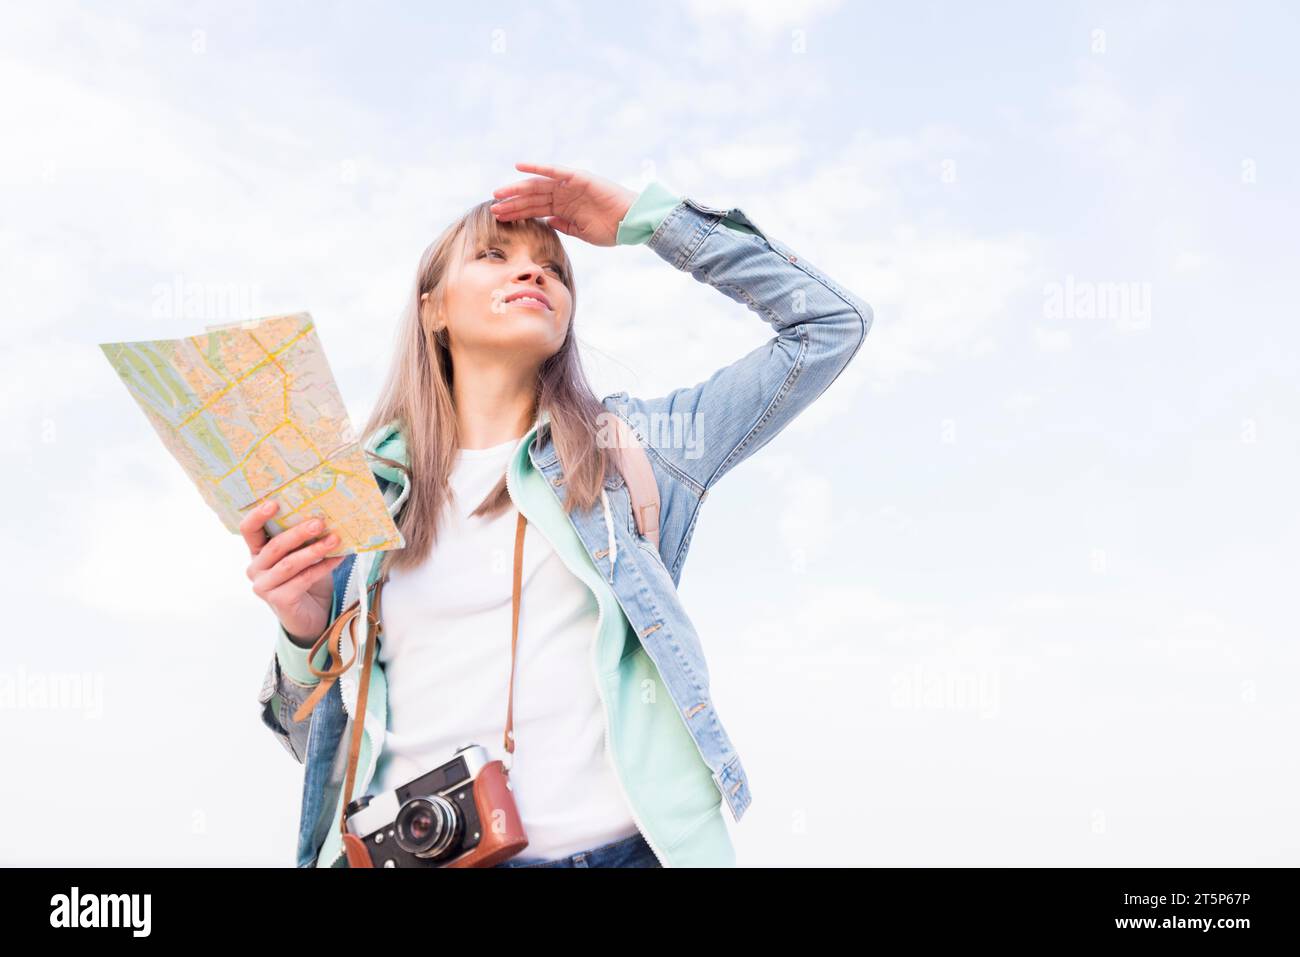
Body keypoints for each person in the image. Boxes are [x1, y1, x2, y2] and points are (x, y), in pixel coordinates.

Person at [247, 162, 874, 868]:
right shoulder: (362, 493)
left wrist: (649, 222)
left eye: (553, 267)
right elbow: (313, 747)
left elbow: (829, 326)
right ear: (434, 310)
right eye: (494, 254)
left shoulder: (636, 451)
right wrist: (304, 631)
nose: (533, 273)